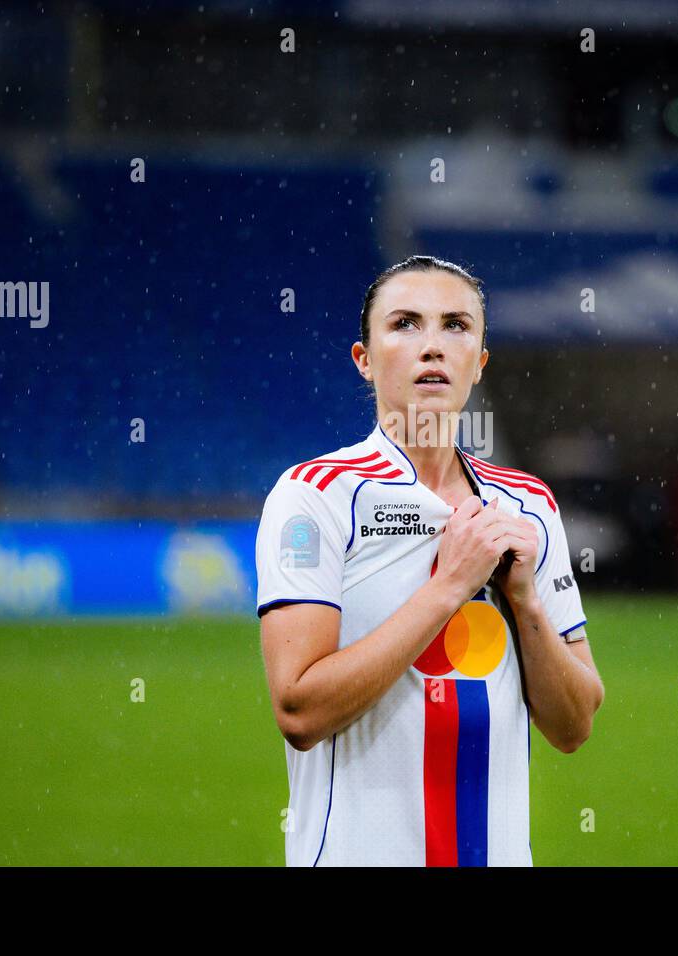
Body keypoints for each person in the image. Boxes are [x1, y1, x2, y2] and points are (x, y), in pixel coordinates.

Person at [255, 255, 604, 866]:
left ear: (480, 363)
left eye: (456, 326)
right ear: (364, 359)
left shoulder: (527, 505)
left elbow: (574, 726)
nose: (433, 345)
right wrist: (449, 588)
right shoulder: (315, 496)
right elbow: (299, 710)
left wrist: (524, 602)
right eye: (405, 324)